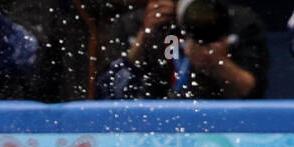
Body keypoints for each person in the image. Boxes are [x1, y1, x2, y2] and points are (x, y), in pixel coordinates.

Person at [98, 0, 269, 99]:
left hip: (219, 121)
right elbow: (109, 91)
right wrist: (144, 37)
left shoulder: (235, 21)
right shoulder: (134, 23)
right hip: (151, 120)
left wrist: (217, 63)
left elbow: (251, 92)